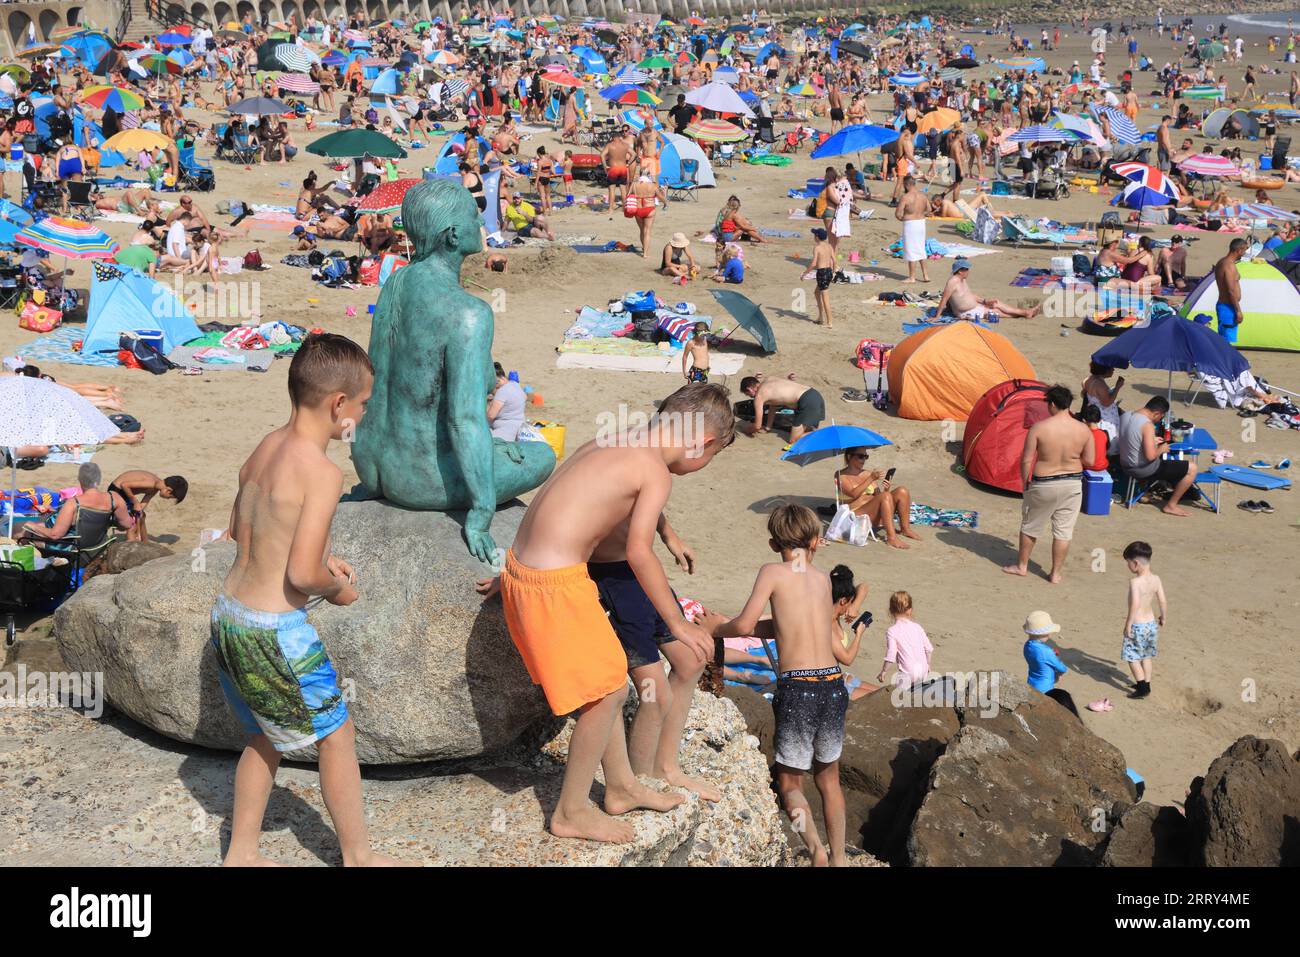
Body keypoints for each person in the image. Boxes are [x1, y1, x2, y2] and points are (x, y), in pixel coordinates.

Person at [481, 383, 732, 843]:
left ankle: (619, 786)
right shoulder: (655, 472)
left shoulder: (611, 439)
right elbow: (639, 552)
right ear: (704, 443)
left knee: (607, 683)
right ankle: (571, 812)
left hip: (525, 567)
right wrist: (677, 622)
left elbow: (555, 498)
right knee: (610, 693)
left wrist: (510, 572)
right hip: (553, 584)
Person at [212, 333, 400, 866]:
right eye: (362, 405)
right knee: (337, 736)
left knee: (261, 735)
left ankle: (241, 852)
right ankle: (360, 858)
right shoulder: (323, 472)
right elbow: (300, 572)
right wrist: (337, 586)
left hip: (229, 616)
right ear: (339, 405)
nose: (362, 416)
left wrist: (320, 559)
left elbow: (240, 531)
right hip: (276, 632)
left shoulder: (266, 446)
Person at [713, 504, 853, 867]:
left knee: (790, 784)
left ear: (775, 544)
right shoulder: (822, 579)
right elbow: (786, 627)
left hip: (799, 688)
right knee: (830, 780)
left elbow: (745, 626)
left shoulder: (772, 572)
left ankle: (816, 851)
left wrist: (716, 628)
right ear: (815, 542)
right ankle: (840, 859)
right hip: (833, 685)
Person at [1003, 385, 1095, 584]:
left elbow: (1026, 459)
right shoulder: (1083, 430)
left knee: (1031, 526)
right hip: (1072, 483)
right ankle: (1055, 573)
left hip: (1044, 482)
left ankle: (1022, 566)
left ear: (1052, 404)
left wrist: (1025, 483)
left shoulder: (1040, 428)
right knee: (1063, 531)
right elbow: (1090, 460)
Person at [1117, 395, 1198, 517]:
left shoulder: (1126, 415)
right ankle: (1171, 506)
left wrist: (1150, 440)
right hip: (1141, 469)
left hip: (1124, 463)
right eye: (1162, 416)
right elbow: (1150, 456)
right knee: (1192, 468)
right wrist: (1161, 449)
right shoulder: (1147, 425)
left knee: (1174, 465)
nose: (1160, 419)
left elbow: (1131, 437)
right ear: (1156, 413)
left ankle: (1167, 487)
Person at [19, 463, 134, 547]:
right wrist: (106, 521)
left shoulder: (74, 503)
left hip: (72, 549)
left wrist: (31, 525)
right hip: (97, 547)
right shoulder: (114, 498)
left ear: (80, 480)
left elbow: (55, 535)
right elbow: (127, 524)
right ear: (98, 480)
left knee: (20, 529)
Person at [834, 447, 920, 549]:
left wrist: (886, 489)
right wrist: (871, 479)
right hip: (854, 516)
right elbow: (853, 494)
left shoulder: (867, 473)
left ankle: (905, 529)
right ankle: (891, 537)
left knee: (902, 491)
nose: (864, 460)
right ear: (849, 456)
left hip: (873, 514)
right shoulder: (840, 475)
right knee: (885, 496)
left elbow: (879, 496)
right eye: (861, 456)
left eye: (866, 456)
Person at [1121, 540, 1166, 700]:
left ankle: (1142, 688)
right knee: (1146, 656)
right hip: (1151, 624)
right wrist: (1163, 616)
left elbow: (1135, 604)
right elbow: (1162, 600)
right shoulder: (1156, 579)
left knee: (1131, 657)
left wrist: (1128, 624)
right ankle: (1147, 682)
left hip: (1137, 624)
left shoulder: (1135, 582)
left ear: (1135, 563)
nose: (1128, 566)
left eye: (1128, 563)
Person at [938, 258, 1042, 320]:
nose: (969, 271)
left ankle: (1025, 312)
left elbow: (969, 295)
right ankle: (1025, 313)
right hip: (966, 312)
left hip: (974, 307)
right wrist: (937, 316)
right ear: (960, 271)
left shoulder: (962, 279)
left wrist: (984, 301)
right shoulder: (952, 282)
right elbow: (944, 300)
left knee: (996, 303)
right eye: (967, 269)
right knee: (994, 311)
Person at [829, 565, 875, 700]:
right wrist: (859, 634)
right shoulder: (825, 625)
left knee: (885, 692)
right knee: (884, 699)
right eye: (849, 602)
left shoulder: (834, 612)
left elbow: (864, 587)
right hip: (829, 687)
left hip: (838, 677)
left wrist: (855, 605)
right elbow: (847, 659)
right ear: (843, 601)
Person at [739, 374, 825, 446]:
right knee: (807, 430)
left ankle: (822, 433)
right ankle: (814, 430)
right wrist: (768, 428)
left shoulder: (759, 396)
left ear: (749, 389)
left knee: (793, 441)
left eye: (748, 395)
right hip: (815, 394)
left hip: (806, 402)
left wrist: (746, 430)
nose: (751, 397)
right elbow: (773, 406)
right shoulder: (770, 378)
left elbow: (757, 426)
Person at [1022, 611, 1079, 717]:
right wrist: (1058, 672)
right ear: (1043, 634)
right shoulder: (1046, 651)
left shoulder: (1027, 646)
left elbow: (1039, 660)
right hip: (1046, 689)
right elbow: (1062, 668)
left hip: (1032, 684)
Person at [107, 470, 188, 543]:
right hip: (116, 492)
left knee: (141, 516)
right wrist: (135, 502)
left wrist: (139, 512)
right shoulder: (151, 483)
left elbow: (143, 504)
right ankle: (131, 544)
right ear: (168, 490)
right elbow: (124, 485)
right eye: (170, 497)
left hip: (125, 495)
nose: (167, 499)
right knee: (132, 523)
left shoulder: (155, 488)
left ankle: (145, 543)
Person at [875, 591, 932, 688]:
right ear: (910, 610)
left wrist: (883, 671)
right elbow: (929, 649)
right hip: (923, 670)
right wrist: (927, 665)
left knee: (900, 695)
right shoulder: (917, 627)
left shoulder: (892, 631)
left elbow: (891, 654)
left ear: (891, 611)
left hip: (907, 673)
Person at [1213, 238, 1248, 343]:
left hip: (1225, 305)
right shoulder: (1229, 265)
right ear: (1239, 250)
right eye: (1244, 250)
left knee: (1224, 339)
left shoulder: (1221, 262)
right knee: (1226, 342)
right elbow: (1231, 291)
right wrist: (1238, 311)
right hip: (1228, 307)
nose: (1245, 253)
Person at [896, 175, 929, 283]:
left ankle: (912, 277)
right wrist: (920, 214)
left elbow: (898, 214)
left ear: (907, 184)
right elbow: (929, 210)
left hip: (910, 224)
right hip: (921, 223)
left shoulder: (905, 197)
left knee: (911, 250)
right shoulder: (923, 196)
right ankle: (925, 275)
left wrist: (903, 218)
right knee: (920, 249)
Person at [622, 175, 665, 258]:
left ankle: (644, 247)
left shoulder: (634, 185)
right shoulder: (652, 185)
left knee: (642, 230)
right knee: (647, 231)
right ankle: (645, 253)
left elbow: (627, 195)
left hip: (638, 209)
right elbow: (660, 197)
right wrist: (665, 203)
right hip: (649, 209)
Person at [1081, 361, 1125, 441]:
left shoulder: (1088, 379)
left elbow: (1085, 393)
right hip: (1104, 416)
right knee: (1108, 438)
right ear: (1105, 370)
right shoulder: (1100, 385)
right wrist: (1117, 387)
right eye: (1111, 368)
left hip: (1093, 413)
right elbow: (1107, 403)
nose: (1113, 369)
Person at [802, 227, 835, 326]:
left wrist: (805, 273)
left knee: (825, 298)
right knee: (817, 293)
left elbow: (813, 264)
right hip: (829, 271)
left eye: (814, 235)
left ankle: (830, 322)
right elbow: (834, 260)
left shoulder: (817, 248)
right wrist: (833, 272)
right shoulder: (829, 246)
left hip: (822, 273)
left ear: (817, 237)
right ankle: (820, 317)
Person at [487, 362, 527, 441]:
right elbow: (525, 397)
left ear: (496, 380)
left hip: (505, 433)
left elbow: (491, 415)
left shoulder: (502, 391)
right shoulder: (515, 385)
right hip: (519, 428)